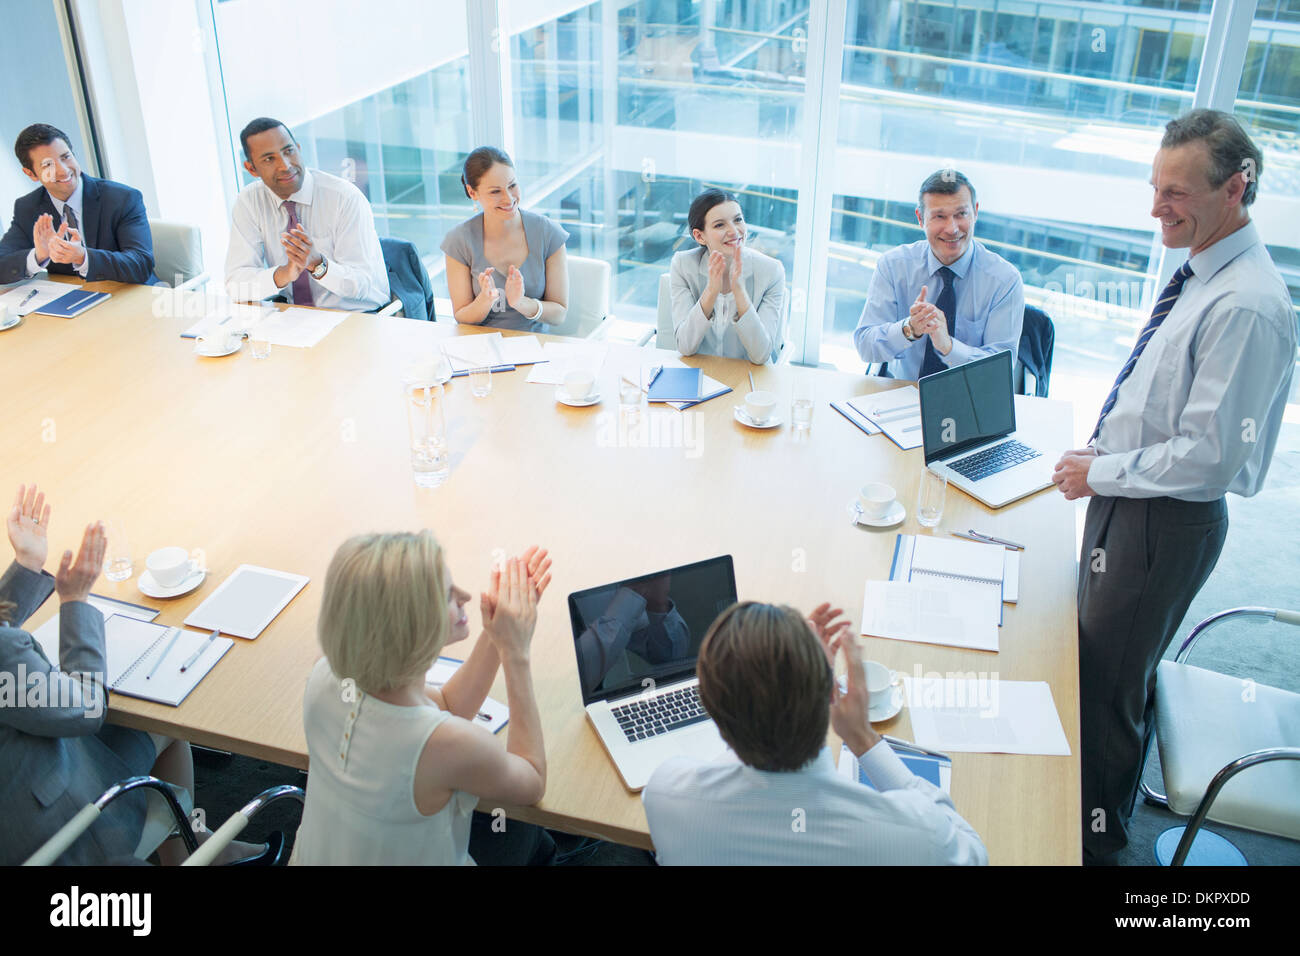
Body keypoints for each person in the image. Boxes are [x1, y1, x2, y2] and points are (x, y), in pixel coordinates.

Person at [1052, 109, 1297, 864]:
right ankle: (1096, 812)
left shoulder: (1247, 304)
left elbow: (1210, 458)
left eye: (1177, 192)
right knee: (1101, 667)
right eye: (1156, 187)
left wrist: (1105, 471)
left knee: (1104, 689)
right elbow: (1168, 406)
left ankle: (1097, 841)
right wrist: (1109, 452)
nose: (1157, 207)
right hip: (1130, 502)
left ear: (1236, 188)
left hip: (1162, 523)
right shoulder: (1200, 269)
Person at [0, 485, 269, 865]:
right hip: (61, 827)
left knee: (156, 727)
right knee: (168, 726)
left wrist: (27, 565)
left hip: (26, 784)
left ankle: (197, 846)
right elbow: (88, 708)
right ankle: (192, 852)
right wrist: (75, 602)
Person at [642, 601, 988, 865]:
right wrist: (863, 738)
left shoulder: (665, 795)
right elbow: (972, 850)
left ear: (711, 711)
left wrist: (784, 676)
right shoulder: (912, 835)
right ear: (831, 698)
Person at [291, 534, 554, 865]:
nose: (467, 596)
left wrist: (496, 633)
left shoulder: (325, 674)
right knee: (528, 834)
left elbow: (448, 704)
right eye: (447, 595)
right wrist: (516, 653)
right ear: (410, 624)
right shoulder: (451, 745)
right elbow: (532, 779)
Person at [854, 169, 1023, 380]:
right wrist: (910, 329)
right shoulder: (893, 266)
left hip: (971, 397)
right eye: (939, 216)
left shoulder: (1004, 280)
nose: (952, 228)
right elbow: (865, 347)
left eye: (961, 214)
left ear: (976, 212)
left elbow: (999, 371)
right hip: (902, 393)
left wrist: (949, 347)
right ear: (920, 218)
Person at [225, 117, 389, 312]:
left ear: (299, 149)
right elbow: (235, 285)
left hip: (359, 314)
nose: (285, 165)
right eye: (269, 159)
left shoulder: (344, 198)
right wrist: (283, 274)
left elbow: (362, 283)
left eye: (288, 151)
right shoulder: (250, 201)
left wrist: (317, 264)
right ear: (251, 169)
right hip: (296, 318)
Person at [0, 124, 156, 286]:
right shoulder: (27, 207)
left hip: (132, 294)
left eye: (65, 157)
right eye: (48, 165)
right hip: (75, 301)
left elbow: (142, 264)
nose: (63, 170)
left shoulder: (122, 198)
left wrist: (82, 257)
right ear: (31, 173)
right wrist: (38, 256)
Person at [442, 146, 568, 332]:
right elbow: (461, 315)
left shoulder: (548, 233)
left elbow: (559, 314)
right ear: (472, 192)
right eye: (495, 192)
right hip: (480, 347)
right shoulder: (459, 240)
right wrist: (485, 300)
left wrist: (521, 303)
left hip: (533, 347)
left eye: (512, 186)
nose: (508, 199)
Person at [669, 188, 786, 364]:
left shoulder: (771, 272)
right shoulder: (683, 266)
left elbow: (761, 355)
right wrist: (711, 291)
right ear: (699, 236)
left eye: (738, 220)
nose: (734, 231)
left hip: (749, 378)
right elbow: (685, 346)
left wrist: (739, 290)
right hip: (700, 375)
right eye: (719, 225)